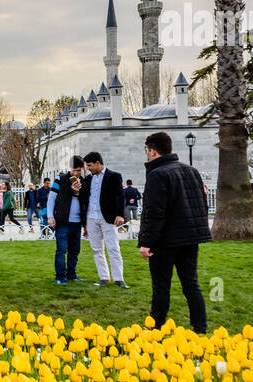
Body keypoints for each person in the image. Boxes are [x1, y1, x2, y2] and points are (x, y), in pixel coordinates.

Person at [137, 131, 210, 333]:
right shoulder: (191, 171)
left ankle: (156, 325)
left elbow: (154, 212)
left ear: (152, 151)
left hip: (166, 239)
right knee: (191, 283)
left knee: (161, 285)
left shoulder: (157, 174)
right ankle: (200, 326)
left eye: (147, 150)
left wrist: (147, 242)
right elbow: (201, 204)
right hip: (190, 237)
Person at [78, 152, 128, 289]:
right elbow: (84, 198)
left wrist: (120, 214)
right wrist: (77, 191)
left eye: (90, 165)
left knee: (113, 248)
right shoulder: (88, 179)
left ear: (98, 163)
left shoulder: (114, 176)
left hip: (108, 217)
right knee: (96, 249)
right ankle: (104, 277)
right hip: (91, 217)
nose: (88, 168)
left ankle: (119, 279)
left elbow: (120, 196)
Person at [47, 157, 86, 285]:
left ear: (82, 168)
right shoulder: (60, 179)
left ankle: (71, 274)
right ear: (70, 168)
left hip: (77, 222)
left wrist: (78, 192)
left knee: (74, 250)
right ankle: (60, 276)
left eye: (78, 171)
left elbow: (86, 200)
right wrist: (50, 216)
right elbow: (52, 198)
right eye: (74, 170)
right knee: (61, 250)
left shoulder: (84, 182)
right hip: (62, 220)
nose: (76, 173)